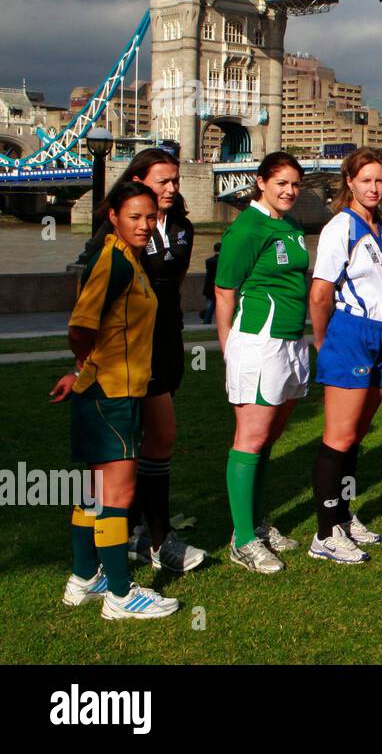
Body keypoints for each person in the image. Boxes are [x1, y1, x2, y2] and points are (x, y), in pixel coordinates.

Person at [51, 181, 179, 618]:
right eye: (134, 217)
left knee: (93, 491)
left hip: (103, 390)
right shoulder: (115, 264)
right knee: (118, 494)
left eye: (150, 217)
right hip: (113, 393)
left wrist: (79, 373)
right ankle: (121, 597)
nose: (144, 225)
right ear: (113, 218)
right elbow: (80, 327)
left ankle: (84, 579)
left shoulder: (128, 259)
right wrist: (88, 366)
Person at [86, 148, 205, 573]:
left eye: (175, 180)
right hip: (130, 349)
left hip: (167, 340)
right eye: (162, 181)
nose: (172, 189)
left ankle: (138, 534)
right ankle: (154, 538)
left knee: (151, 441)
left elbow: (170, 287)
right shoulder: (113, 235)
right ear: (138, 182)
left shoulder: (183, 228)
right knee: (142, 442)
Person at [214, 152, 310, 573]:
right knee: (249, 438)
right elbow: (224, 291)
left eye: (295, 184)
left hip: (291, 342)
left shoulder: (289, 225)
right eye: (281, 183)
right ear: (260, 182)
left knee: (268, 437)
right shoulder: (247, 227)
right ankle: (242, 540)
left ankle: (256, 523)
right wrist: (229, 347)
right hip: (259, 342)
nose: (289, 191)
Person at [308, 148, 382, 564]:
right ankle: (325, 534)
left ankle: (344, 515)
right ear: (350, 182)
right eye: (366, 180)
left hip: (381, 336)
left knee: (356, 437)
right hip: (351, 332)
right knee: (339, 436)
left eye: (379, 180)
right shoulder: (339, 228)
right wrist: (325, 340)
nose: (374, 188)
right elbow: (321, 293)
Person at [202, 243, 221, 324]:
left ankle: (207, 320)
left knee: (210, 304)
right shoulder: (223, 261)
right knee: (218, 305)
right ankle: (208, 320)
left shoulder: (209, 261)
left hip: (209, 286)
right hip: (218, 285)